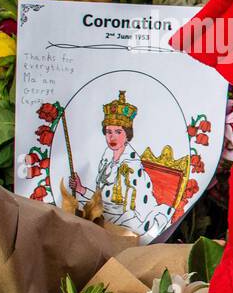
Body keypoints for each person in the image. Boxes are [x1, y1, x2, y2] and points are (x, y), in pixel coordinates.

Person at [69, 91, 171, 238]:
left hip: (125, 225)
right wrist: (81, 189)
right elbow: (103, 200)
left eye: (118, 131)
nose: (112, 136)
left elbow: (130, 210)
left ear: (127, 135)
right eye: (108, 132)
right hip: (105, 217)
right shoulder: (107, 162)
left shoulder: (131, 168)